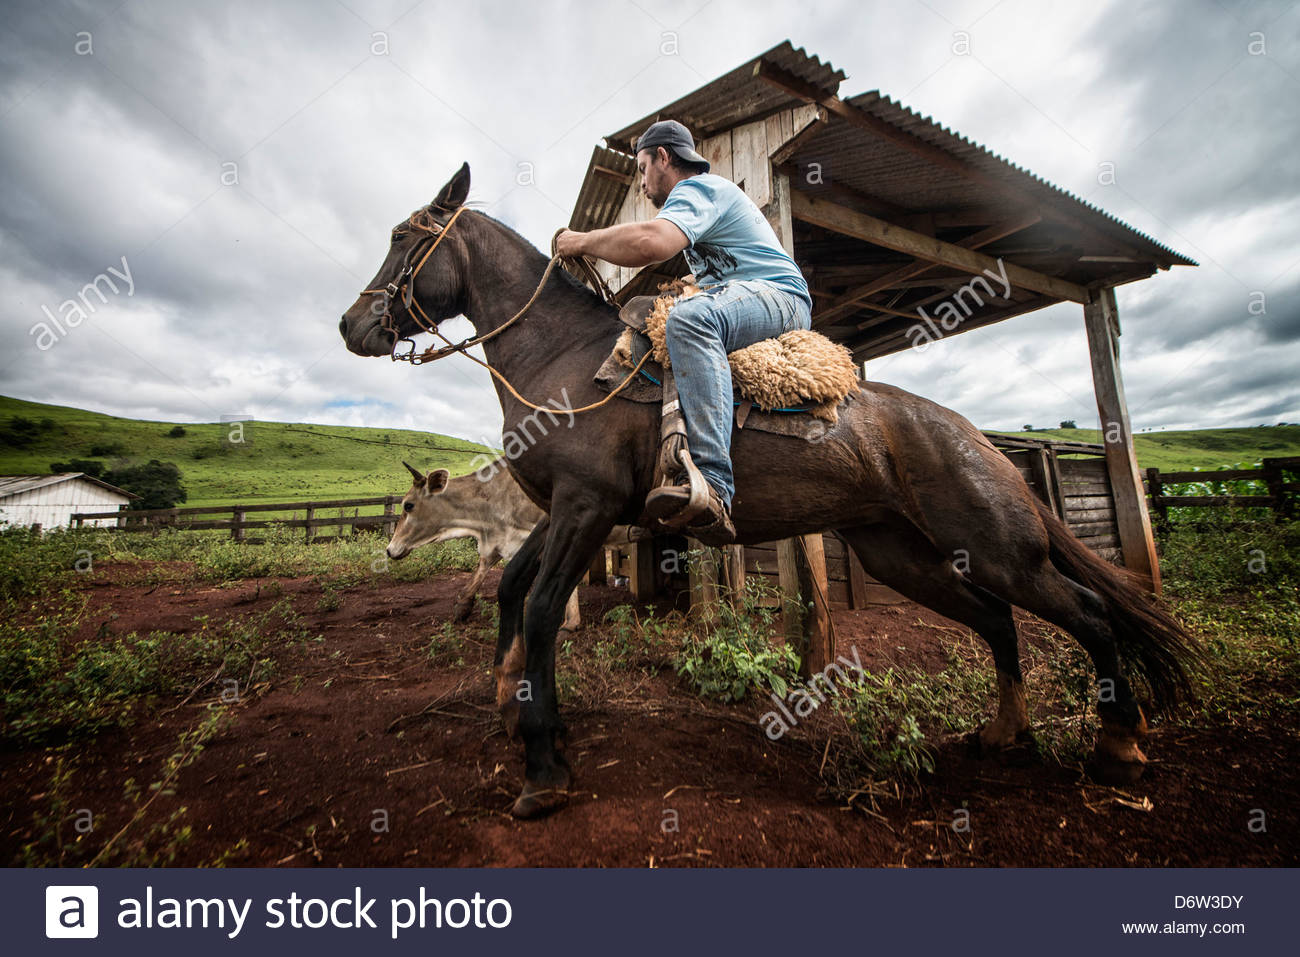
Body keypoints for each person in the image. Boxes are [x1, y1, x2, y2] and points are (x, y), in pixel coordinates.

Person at [555, 120, 812, 545]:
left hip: (779, 296)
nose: (640, 183)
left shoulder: (699, 190)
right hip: (749, 295)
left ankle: (713, 484)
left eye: (641, 168)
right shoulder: (701, 214)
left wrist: (580, 242)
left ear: (663, 157)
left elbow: (648, 244)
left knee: (691, 319)